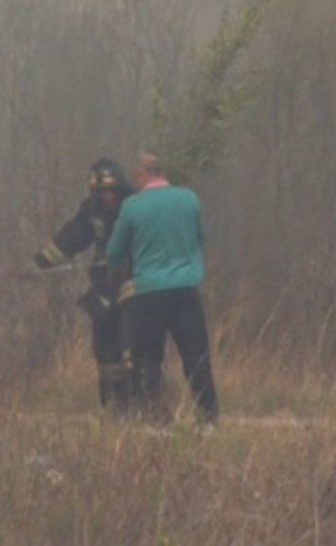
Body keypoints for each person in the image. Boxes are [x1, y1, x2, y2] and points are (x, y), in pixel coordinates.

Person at [105, 153, 218, 426]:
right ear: (162, 173)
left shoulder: (132, 206)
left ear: (142, 177)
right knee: (196, 356)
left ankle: (157, 419)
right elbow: (200, 238)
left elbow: (113, 253)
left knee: (148, 358)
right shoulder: (189, 199)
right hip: (186, 290)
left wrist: (125, 261)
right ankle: (209, 418)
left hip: (149, 293)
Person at [32, 158, 137, 412]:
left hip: (134, 284)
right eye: (100, 192)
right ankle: (112, 405)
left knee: (132, 345)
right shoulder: (91, 210)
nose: (106, 197)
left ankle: (141, 400)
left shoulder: (134, 206)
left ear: (120, 187)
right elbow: (72, 237)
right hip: (103, 284)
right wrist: (39, 263)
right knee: (104, 347)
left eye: (109, 191)